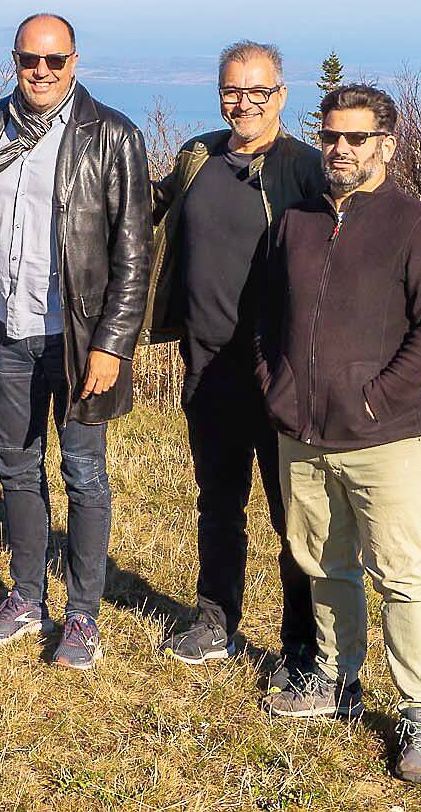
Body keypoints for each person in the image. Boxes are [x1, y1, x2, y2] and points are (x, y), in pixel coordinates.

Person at [258, 84, 421, 786]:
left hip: (383, 438)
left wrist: (378, 399)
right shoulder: (297, 222)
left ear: (386, 144)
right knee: (322, 562)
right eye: (330, 136)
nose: (338, 149)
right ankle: (338, 680)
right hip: (303, 432)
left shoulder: (415, 224)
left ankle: (420, 712)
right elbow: (266, 314)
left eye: (354, 138)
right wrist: (276, 385)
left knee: (402, 575)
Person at [0, 13, 153, 669]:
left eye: (54, 60)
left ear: (75, 61)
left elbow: (134, 251)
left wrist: (113, 344)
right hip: (8, 328)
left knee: (83, 470)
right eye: (29, 59)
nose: (41, 71)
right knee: (16, 465)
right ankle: (27, 595)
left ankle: (83, 613)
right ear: (13, 59)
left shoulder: (112, 135)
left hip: (79, 339)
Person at [145, 42, 324, 687]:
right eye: (231, 92)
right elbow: (145, 216)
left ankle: (301, 645)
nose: (243, 104)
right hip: (207, 362)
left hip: (277, 372)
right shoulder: (199, 157)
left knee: (292, 513)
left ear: (281, 96)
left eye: (257, 92)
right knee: (218, 499)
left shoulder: (305, 169)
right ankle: (214, 616)